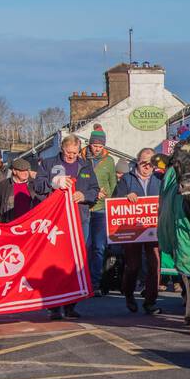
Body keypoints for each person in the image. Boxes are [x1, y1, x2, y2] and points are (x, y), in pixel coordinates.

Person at [34, 135, 100, 320]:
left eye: (75, 153)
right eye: (69, 152)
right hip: (55, 220)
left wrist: (84, 194)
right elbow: (37, 186)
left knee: (77, 262)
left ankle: (71, 304)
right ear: (62, 149)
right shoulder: (47, 164)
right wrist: (53, 184)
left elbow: (95, 190)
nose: (72, 156)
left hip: (80, 218)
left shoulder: (86, 166)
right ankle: (54, 306)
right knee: (55, 262)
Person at [115, 150, 163, 315]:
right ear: (137, 162)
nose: (147, 167)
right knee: (133, 265)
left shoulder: (159, 179)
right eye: (144, 163)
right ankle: (128, 294)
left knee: (154, 265)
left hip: (154, 229)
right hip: (132, 229)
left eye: (151, 164)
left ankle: (150, 302)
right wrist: (126, 196)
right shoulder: (127, 179)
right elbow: (115, 201)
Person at [84, 127, 117, 296]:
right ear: (89, 144)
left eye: (99, 145)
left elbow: (113, 184)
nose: (96, 148)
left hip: (101, 209)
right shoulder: (82, 158)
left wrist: (106, 195)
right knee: (84, 246)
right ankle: (82, 281)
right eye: (94, 145)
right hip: (83, 207)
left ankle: (95, 282)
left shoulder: (109, 161)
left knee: (98, 247)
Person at [0, 156, 40, 222]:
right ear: (14, 171)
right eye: (22, 171)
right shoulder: (3, 185)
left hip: (29, 224)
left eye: (27, 170)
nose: (25, 173)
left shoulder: (34, 185)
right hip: (9, 224)